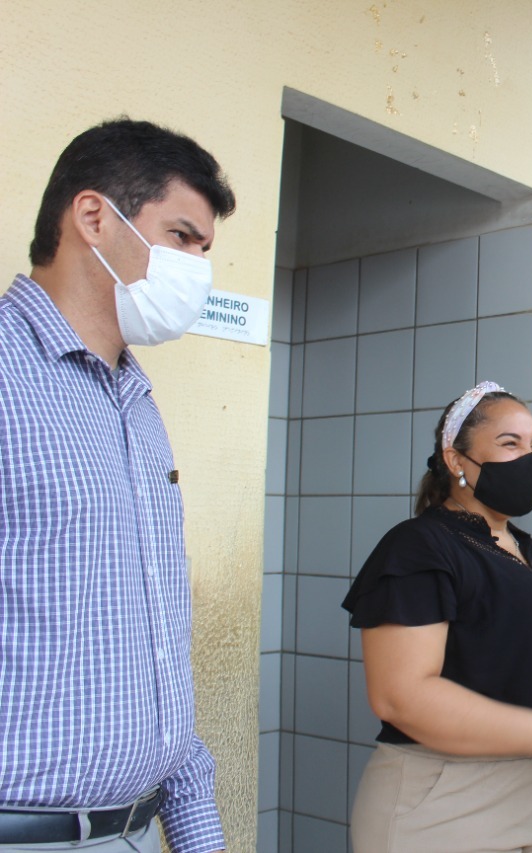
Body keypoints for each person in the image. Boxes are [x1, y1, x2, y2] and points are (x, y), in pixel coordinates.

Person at [0, 119, 235, 853]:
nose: (196, 269)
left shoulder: (136, 401)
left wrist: (198, 836)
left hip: (135, 830)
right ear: (94, 217)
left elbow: (161, 648)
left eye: (204, 250)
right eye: (181, 238)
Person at [342, 381, 532, 853]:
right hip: (442, 812)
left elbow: (495, 654)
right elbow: (399, 696)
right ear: (456, 460)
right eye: (510, 443)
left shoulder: (521, 548)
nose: (530, 458)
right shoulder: (419, 547)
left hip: (531, 807)